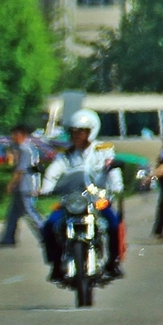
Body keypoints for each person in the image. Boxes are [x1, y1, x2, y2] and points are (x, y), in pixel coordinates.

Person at [39, 109, 126, 281]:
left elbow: (112, 169)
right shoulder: (66, 155)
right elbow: (53, 173)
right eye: (73, 131)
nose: (76, 135)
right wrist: (45, 188)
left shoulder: (103, 150)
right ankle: (56, 265)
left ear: (91, 131)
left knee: (114, 224)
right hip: (71, 201)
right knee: (49, 225)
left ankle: (112, 263)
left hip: (97, 200)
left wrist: (117, 187)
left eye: (81, 131)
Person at [0, 124, 42, 248]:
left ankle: (45, 235)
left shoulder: (25, 149)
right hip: (23, 185)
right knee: (13, 213)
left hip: (26, 185)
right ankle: (8, 238)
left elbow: (20, 170)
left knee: (30, 212)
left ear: (22, 135)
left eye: (15, 134)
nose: (12, 137)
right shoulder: (26, 147)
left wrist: (11, 184)